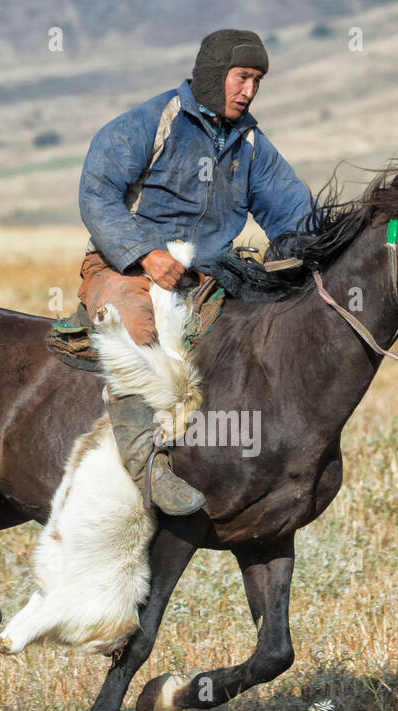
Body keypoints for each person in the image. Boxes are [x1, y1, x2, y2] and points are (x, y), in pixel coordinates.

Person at [76, 28, 313, 515]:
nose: (249, 91)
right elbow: (97, 194)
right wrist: (145, 253)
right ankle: (148, 470)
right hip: (125, 269)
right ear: (212, 75)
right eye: (242, 77)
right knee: (135, 325)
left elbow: (295, 215)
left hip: (206, 279)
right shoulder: (151, 122)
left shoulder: (250, 145)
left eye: (258, 81)